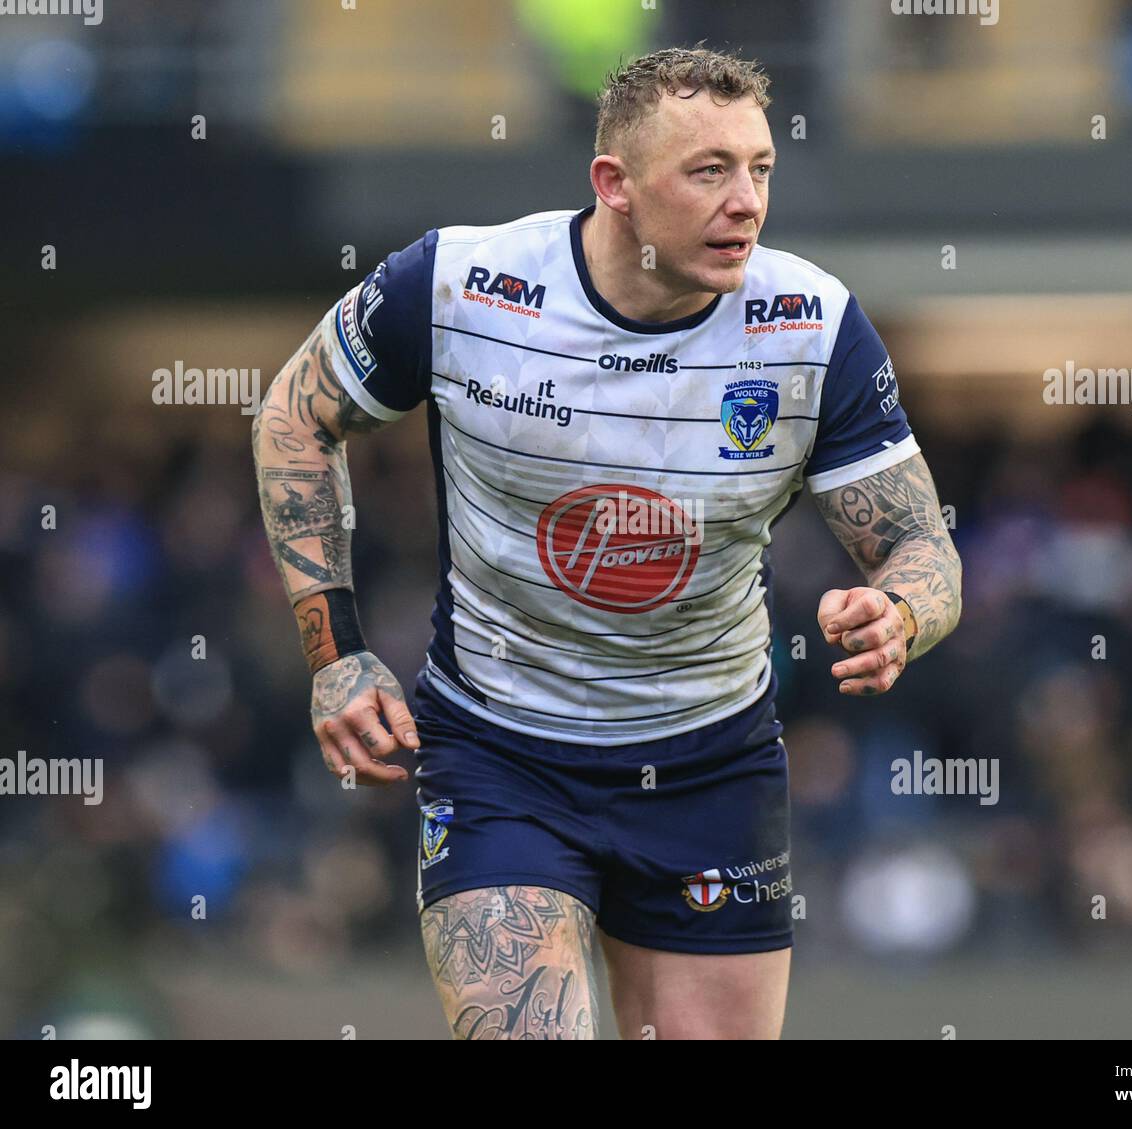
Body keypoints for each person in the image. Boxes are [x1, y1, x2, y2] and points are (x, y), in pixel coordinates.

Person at [251, 45, 961, 1040]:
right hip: (502, 755)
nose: (745, 200)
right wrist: (334, 656)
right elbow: (293, 415)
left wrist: (901, 612)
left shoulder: (813, 326)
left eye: (759, 167)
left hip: (712, 766)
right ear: (614, 186)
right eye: (707, 170)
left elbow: (923, 548)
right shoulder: (461, 286)